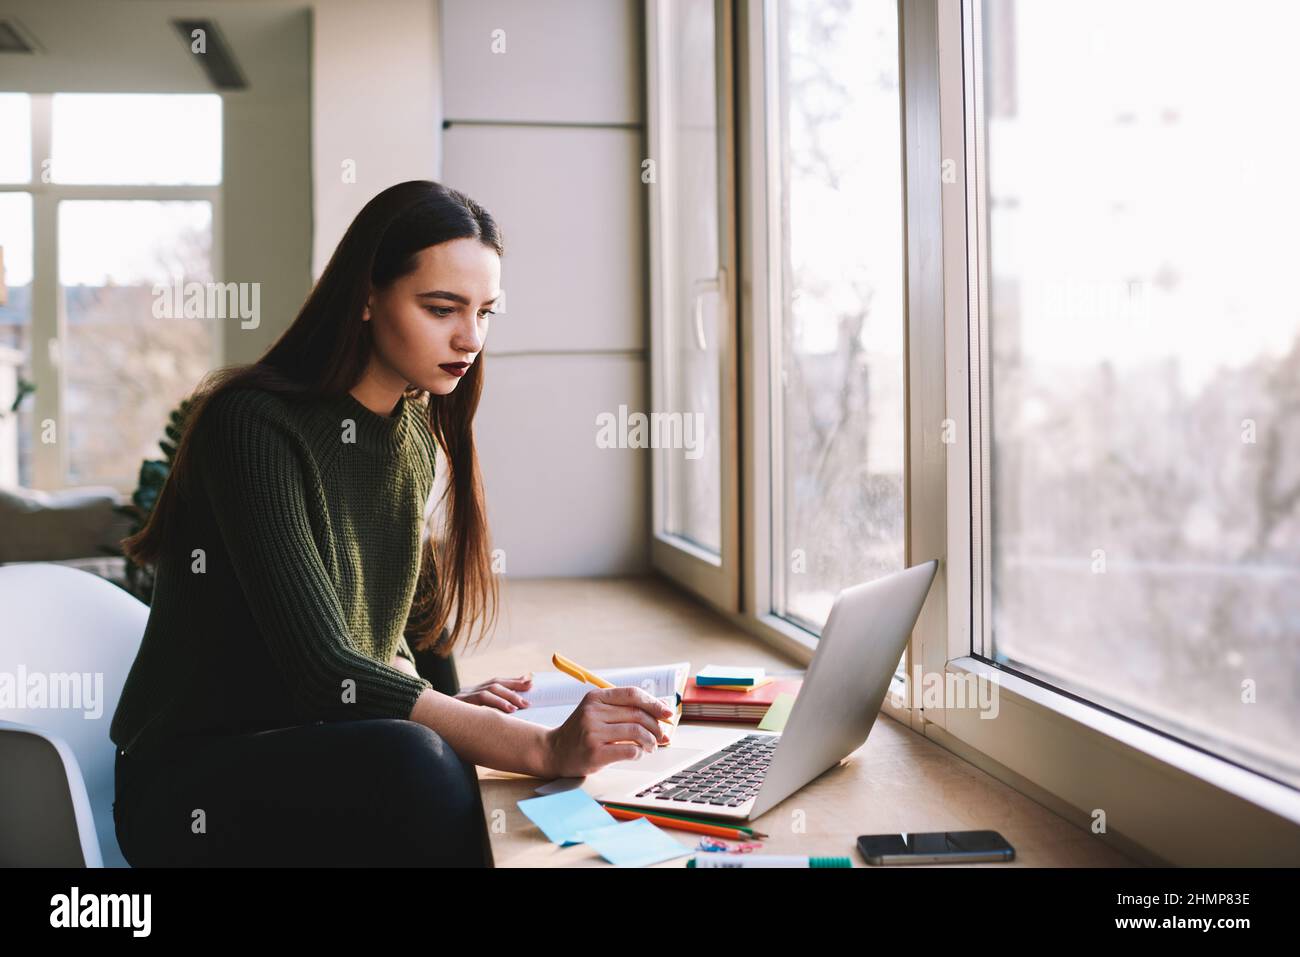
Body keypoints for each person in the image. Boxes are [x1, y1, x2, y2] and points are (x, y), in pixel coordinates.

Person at [109, 180, 672, 867]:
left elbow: (393, 629)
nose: (470, 337)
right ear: (367, 297)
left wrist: (453, 706)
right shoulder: (251, 426)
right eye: (442, 308)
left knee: (457, 750)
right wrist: (541, 746)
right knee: (423, 760)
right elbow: (324, 670)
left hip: (322, 746)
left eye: (485, 311)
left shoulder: (407, 428)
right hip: (190, 782)